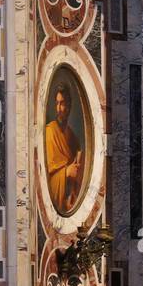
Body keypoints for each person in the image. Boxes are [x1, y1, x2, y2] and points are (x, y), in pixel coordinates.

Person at [45, 85, 84, 214]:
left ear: (69, 106)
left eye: (62, 104)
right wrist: (66, 172)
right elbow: (47, 179)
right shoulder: (50, 131)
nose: (58, 109)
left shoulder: (72, 137)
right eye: (57, 103)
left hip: (70, 201)